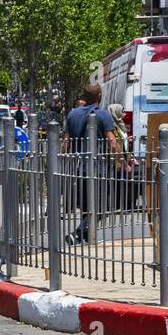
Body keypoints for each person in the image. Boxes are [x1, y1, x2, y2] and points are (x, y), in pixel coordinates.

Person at [60, 84, 121, 246]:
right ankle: (78, 234)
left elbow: (65, 143)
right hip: (99, 169)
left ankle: (89, 238)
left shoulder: (72, 115)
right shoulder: (102, 115)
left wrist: (65, 161)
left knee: (87, 207)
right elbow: (113, 143)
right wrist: (121, 161)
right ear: (99, 95)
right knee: (103, 207)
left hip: (79, 169)